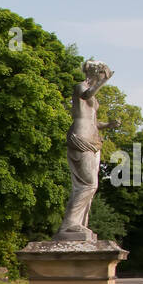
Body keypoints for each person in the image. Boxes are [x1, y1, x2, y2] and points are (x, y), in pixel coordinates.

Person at [55, 60, 114, 240]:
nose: (104, 77)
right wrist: (102, 82)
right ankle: (70, 224)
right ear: (95, 73)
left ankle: (77, 223)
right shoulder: (81, 87)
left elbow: (93, 121)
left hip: (92, 139)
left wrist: (109, 125)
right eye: (103, 74)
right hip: (81, 138)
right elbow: (88, 94)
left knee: (87, 185)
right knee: (88, 184)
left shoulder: (92, 95)